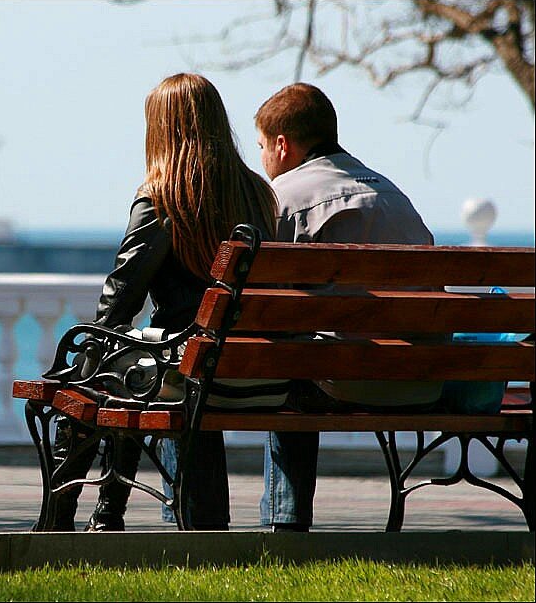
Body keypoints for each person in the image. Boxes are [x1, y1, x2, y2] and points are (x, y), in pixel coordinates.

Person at [48, 72, 279, 532]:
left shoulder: (162, 197)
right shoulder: (258, 193)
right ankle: (113, 516)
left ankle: (64, 521)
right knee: (134, 367)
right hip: (257, 373)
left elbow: (119, 301)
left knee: (99, 375)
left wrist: (82, 363)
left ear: (161, 129)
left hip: (190, 371)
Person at [253, 82, 441, 532]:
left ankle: (286, 527)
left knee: (290, 369)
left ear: (283, 145)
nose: (261, 159)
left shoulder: (283, 199)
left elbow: (264, 308)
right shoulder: (395, 195)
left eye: (261, 147)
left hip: (339, 382)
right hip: (419, 380)